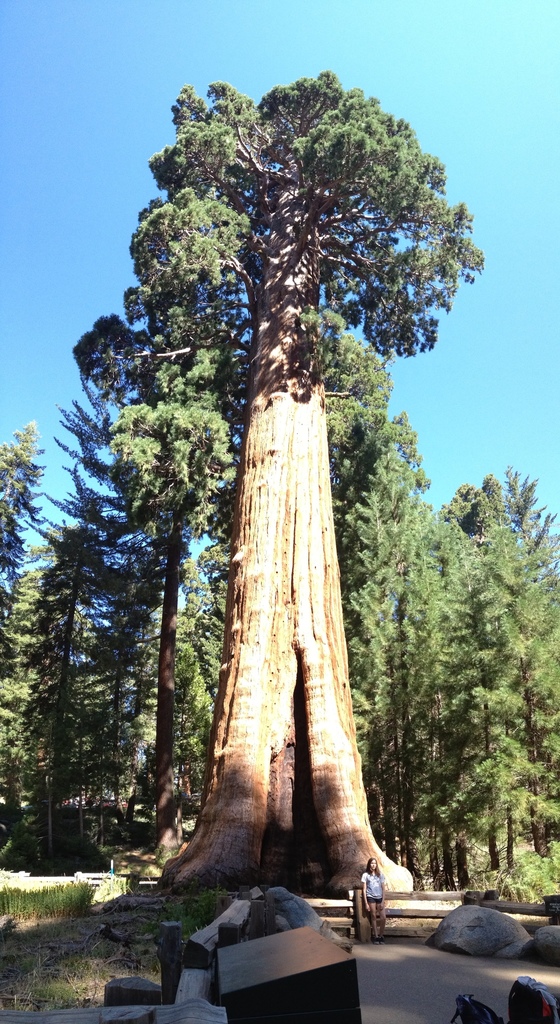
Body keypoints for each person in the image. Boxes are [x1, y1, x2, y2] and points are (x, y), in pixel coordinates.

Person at [361, 856, 386, 943]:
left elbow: (383, 889)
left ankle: (381, 935)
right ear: (369, 864)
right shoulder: (366, 875)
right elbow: (364, 889)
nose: (373, 865)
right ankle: (376, 936)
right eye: (372, 863)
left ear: (376, 865)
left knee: (383, 917)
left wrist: (383, 901)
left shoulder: (380, 875)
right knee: (374, 916)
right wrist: (366, 903)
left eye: (375, 863)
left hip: (379, 897)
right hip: (371, 897)